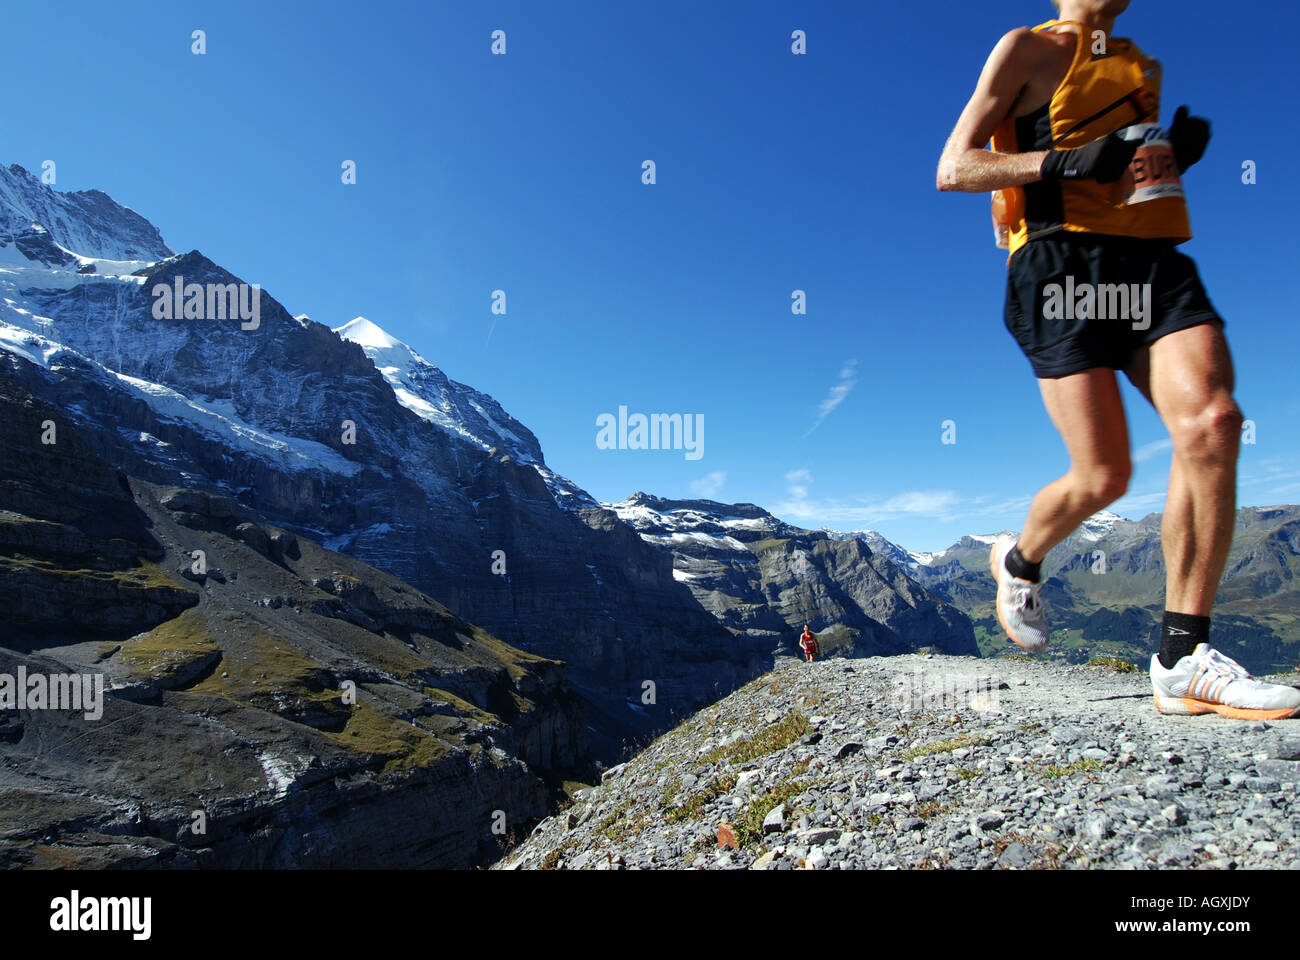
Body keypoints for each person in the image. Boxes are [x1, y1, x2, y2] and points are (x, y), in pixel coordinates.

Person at [936, 0, 1300, 719]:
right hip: (1057, 263)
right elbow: (955, 166)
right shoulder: (1025, 51)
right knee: (1104, 475)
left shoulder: (1144, 69)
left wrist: (1172, 156)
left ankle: (1181, 657)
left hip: (1152, 260)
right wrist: (1065, 161)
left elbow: (1127, 181)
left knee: (1215, 422)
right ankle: (1019, 561)